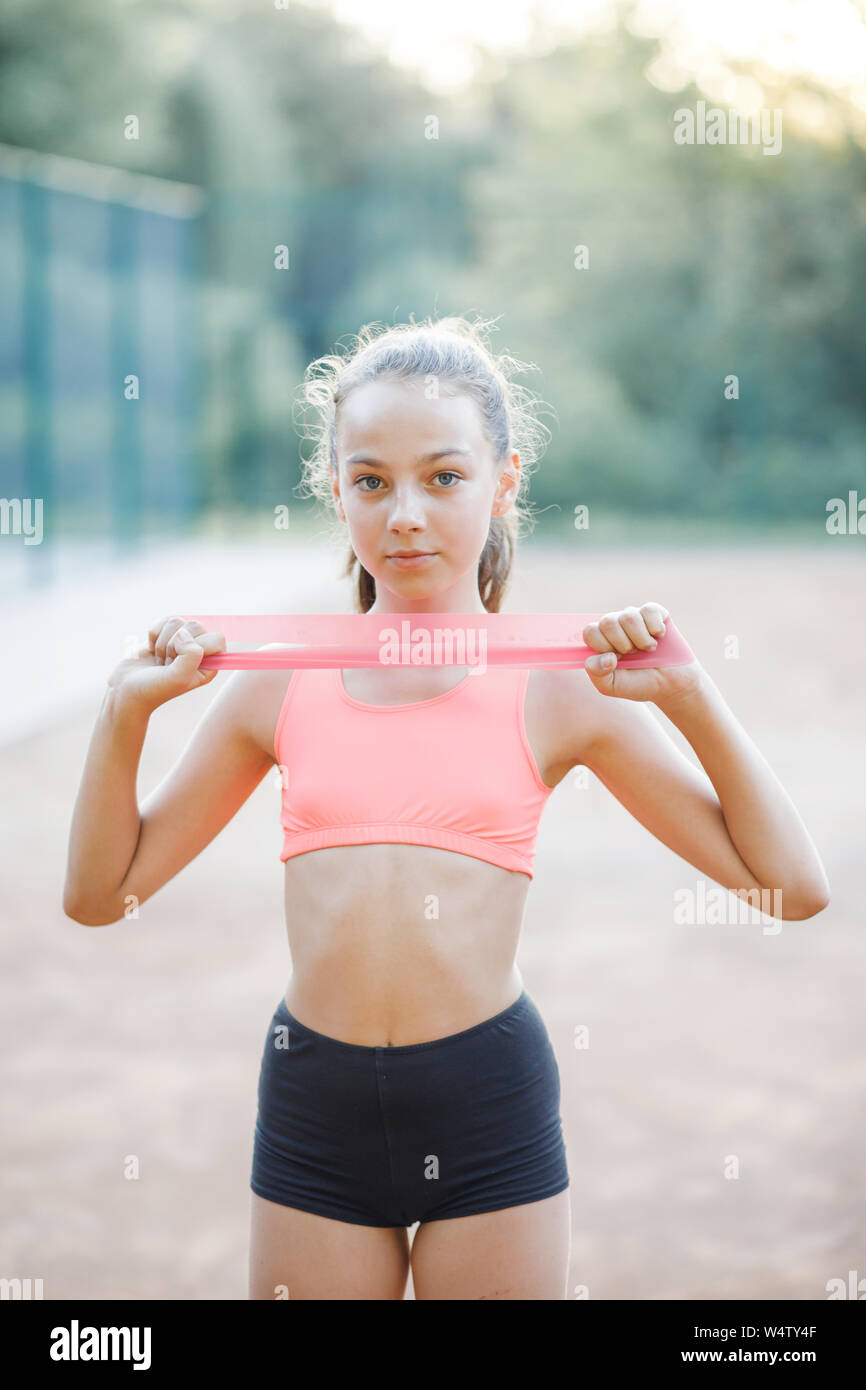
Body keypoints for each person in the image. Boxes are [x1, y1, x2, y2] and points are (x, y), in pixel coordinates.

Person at [63, 314, 831, 1301]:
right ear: (333, 490)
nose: (406, 514)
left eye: (444, 476)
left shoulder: (558, 688)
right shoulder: (276, 683)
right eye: (370, 480)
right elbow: (99, 894)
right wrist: (123, 712)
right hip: (314, 1104)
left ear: (503, 481)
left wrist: (690, 693)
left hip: (486, 1104)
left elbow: (790, 889)